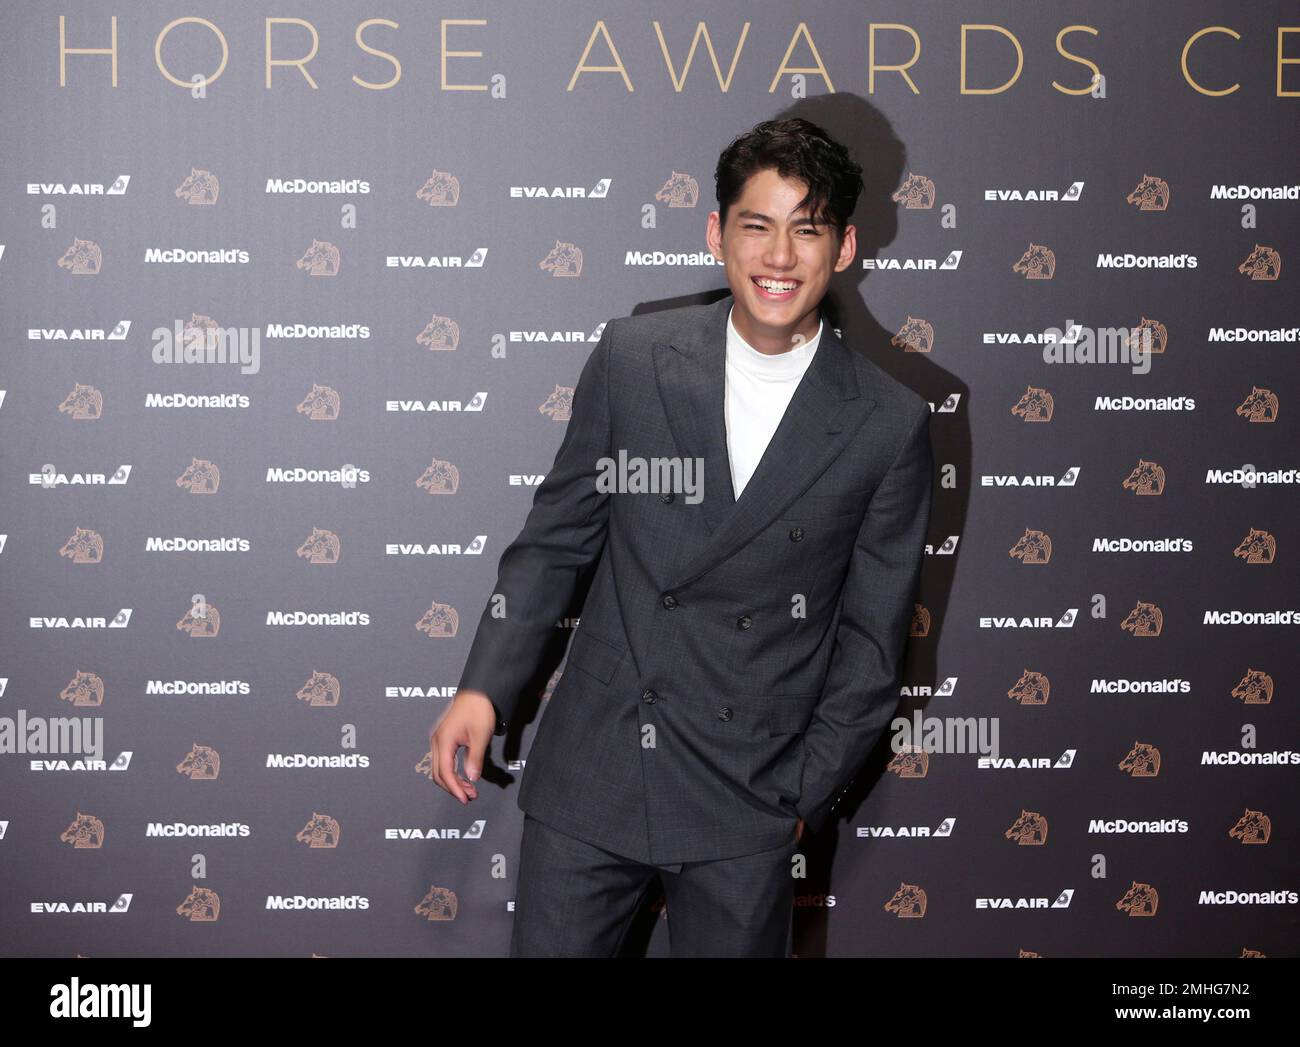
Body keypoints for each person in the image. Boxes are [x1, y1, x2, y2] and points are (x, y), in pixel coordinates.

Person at [429, 117, 933, 957]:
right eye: (757, 225)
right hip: (595, 773)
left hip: (746, 800)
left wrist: (797, 795)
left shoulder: (887, 422)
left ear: (842, 248)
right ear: (717, 233)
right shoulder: (635, 356)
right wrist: (485, 686)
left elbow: (873, 651)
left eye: (805, 230)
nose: (778, 257)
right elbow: (556, 540)